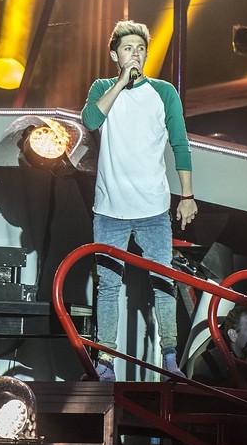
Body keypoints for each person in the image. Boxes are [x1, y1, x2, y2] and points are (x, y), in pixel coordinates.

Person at [81, 20, 198, 381]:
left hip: (152, 209)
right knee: (108, 286)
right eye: (129, 49)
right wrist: (120, 83)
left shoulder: (163, 92)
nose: (136, 54)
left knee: (163, 282)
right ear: (115, 55)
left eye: (141, 49)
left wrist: (187, 196)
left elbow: (180, 144)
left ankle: (169, 359)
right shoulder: (103, 87)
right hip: (110, 209)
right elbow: (90, 119)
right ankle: (105, 362)